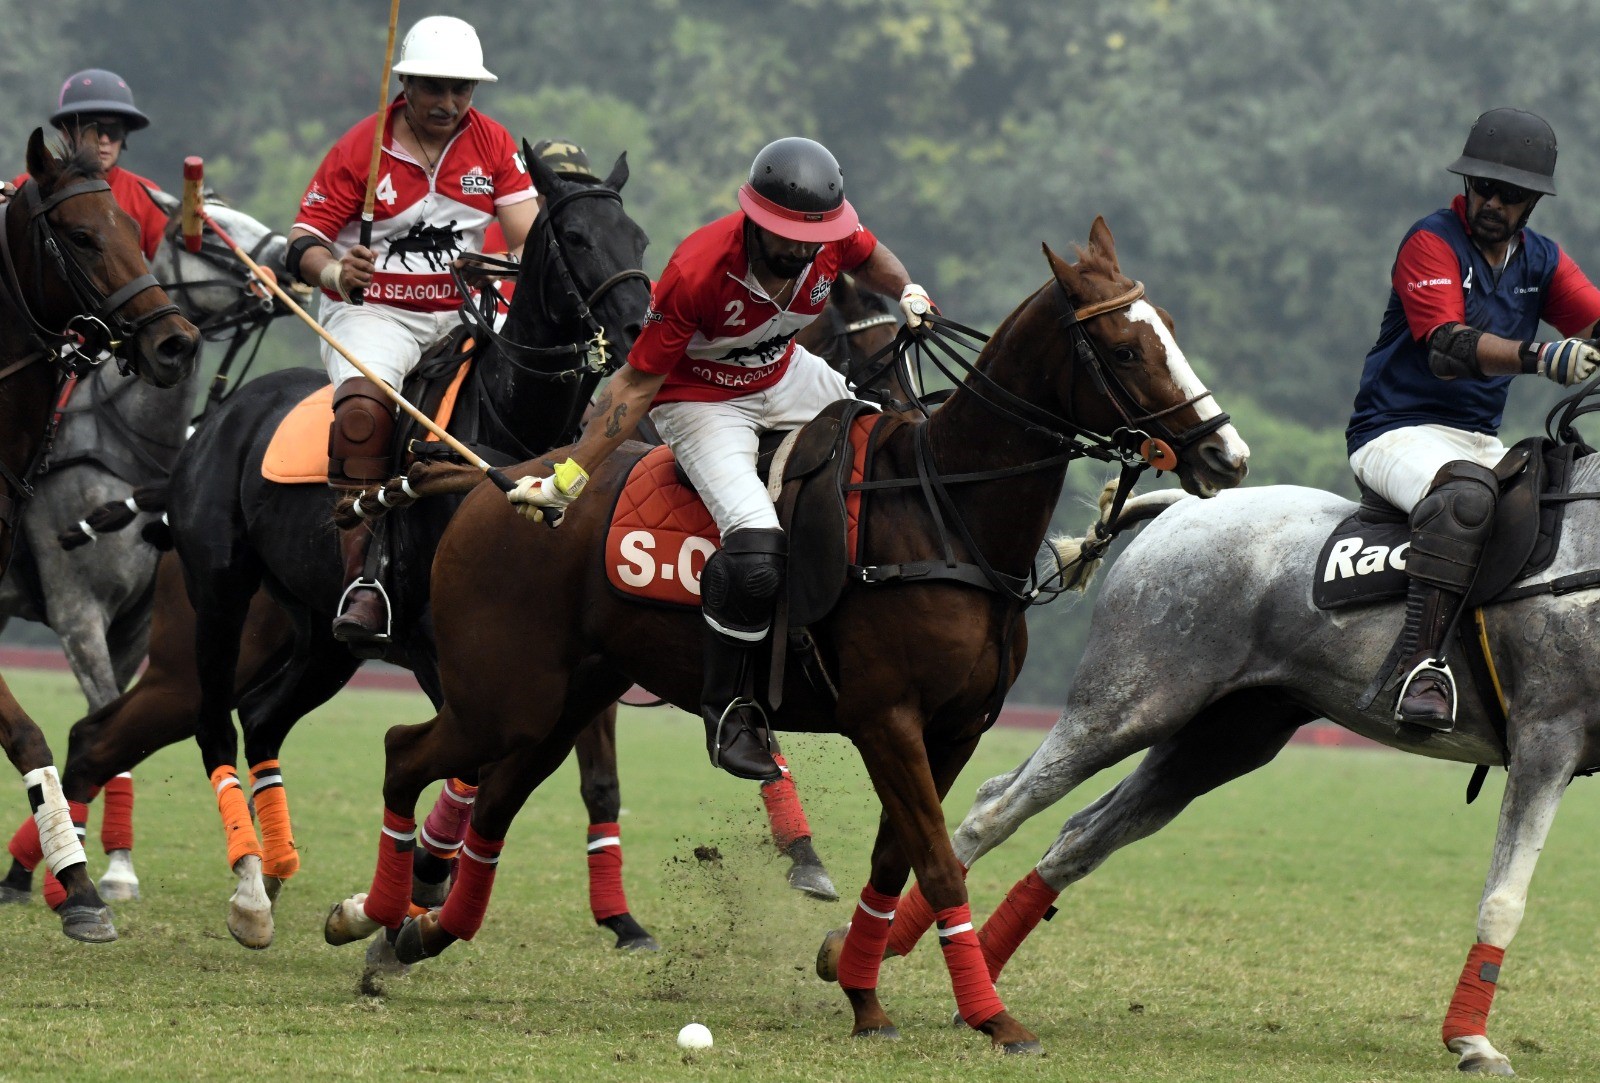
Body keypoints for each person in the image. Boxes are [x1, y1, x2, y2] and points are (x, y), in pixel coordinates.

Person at [506, 136, 933, 781]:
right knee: (756, 546)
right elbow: (636, 384)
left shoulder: (828, 238)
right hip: (700, 401)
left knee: (894, 449)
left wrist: (908, 292)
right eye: (786, 236)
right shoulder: (698, 267)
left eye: (811, 238)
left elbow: (871, 257)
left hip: (785, 375)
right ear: (755, 220)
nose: (800, 250)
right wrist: (571, 475)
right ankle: (729, 707)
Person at [284, 15, 538, 652]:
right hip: (376, 315)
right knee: (365, 413)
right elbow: (302, 243)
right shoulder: (362, 147)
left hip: (468, 312)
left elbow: (530, 237)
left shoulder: (493, 143)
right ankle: (362, 577)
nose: (449, 104)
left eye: (462, 91)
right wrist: (338, 271)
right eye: (434, 89)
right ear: (406, 84)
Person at [1345, 107, 1600, 729]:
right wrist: (1541, 355)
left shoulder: (1540, 260)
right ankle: (1421, 669)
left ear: (1532, 201)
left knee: (1564, 497)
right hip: (1394, 431)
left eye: (1510, 195)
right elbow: (1447, 349)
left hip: (1478, 440)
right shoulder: (1431, 241)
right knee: (1465, 499)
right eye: (1483, 187)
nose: (1493, 202)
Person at [6, 68, 167, 261]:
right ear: (67, 133)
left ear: (124, 136)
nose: (105, 139)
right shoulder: (28, 187)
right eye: (95, 129)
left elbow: (168, 270)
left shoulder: (147, 194)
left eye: (114, 130)